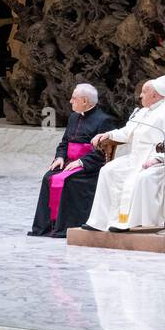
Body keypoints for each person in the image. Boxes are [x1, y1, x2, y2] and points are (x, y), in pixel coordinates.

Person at [83, 77, 165, 233]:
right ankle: (100, 221)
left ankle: (133, 222)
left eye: (144, 92)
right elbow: (126, 133)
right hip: (135, 158)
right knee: (108, 170)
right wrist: (108, 135)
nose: (140, 96)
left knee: (143, 178)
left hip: (158, 159)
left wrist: (157, 158)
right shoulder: (142, 112)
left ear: (155, 95)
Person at [27, 84, 116, 237]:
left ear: (85, 101)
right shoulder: (73, 117)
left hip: (90, 167)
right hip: (68, 162)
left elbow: (102, 152)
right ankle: (46, 226)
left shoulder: (104, 120)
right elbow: (65, 142)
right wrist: (60, 157)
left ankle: (65, 227)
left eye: (74, 98)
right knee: (48, 177)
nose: (70, 101)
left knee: (70, 180)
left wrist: (81, 162)